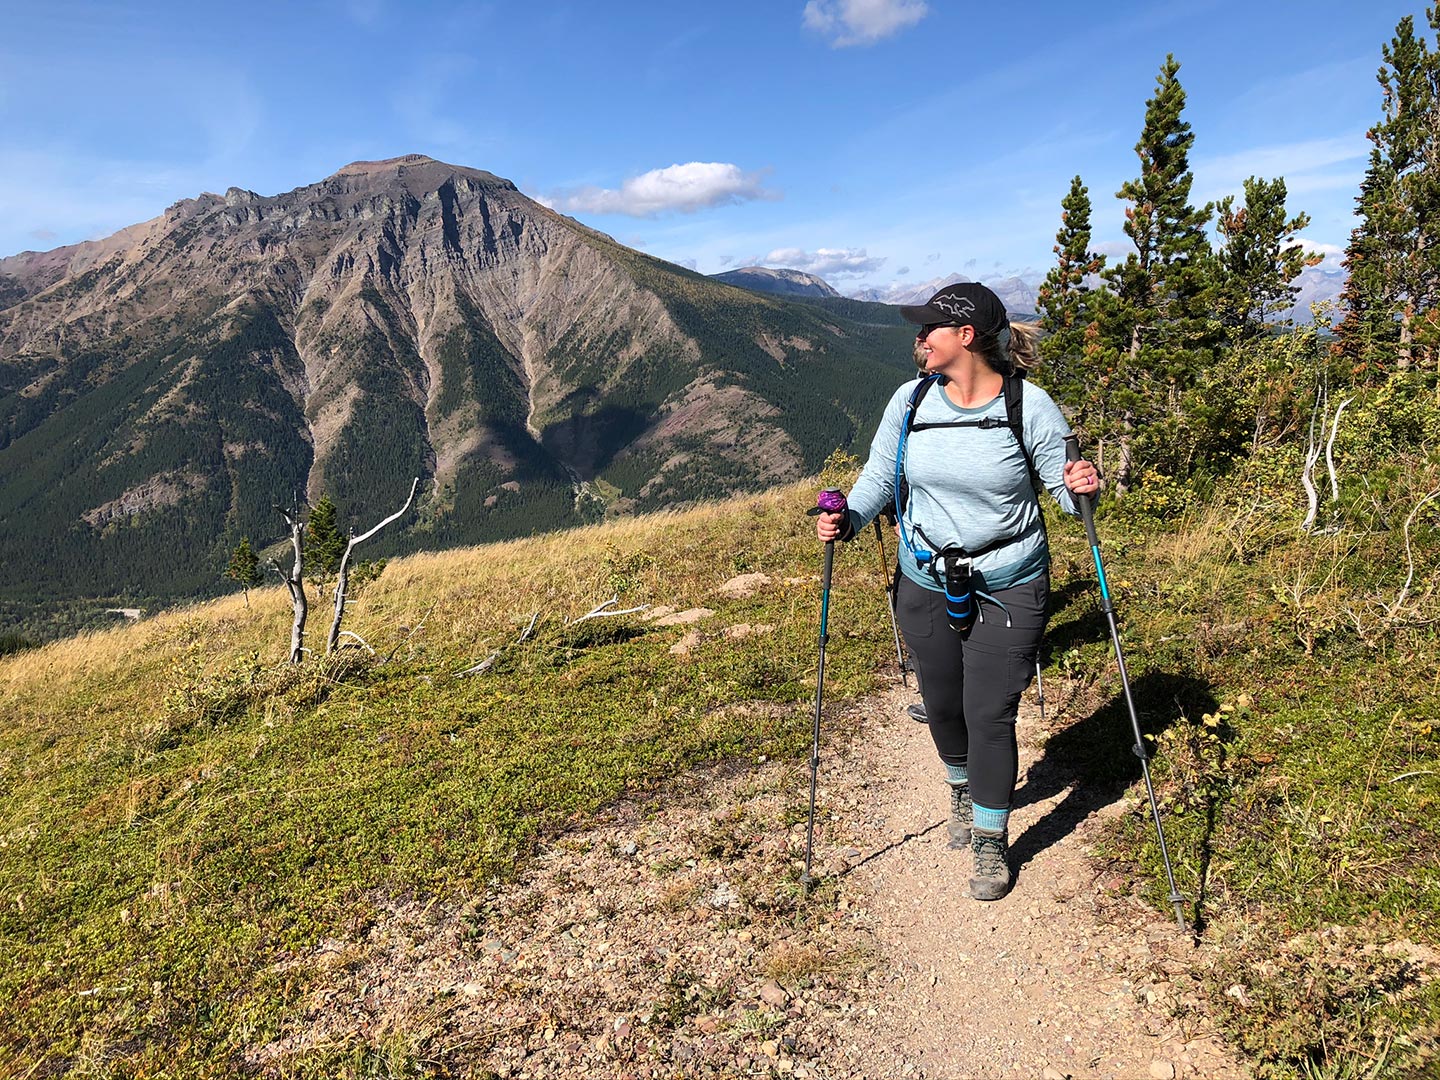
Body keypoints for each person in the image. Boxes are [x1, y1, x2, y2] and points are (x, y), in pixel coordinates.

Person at [814, 282, 1099, 900]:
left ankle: (991, 835)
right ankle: (960, 786)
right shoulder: (911, 399)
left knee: (988, 711)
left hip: (1011, 581)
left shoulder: (1029, 405)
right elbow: (879, 475)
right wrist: (851, 518)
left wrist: (1082, 488)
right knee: (942, 704)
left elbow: (1065, 493)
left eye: (929, 330)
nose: (918, 339)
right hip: (924, 578)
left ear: (965, 337)